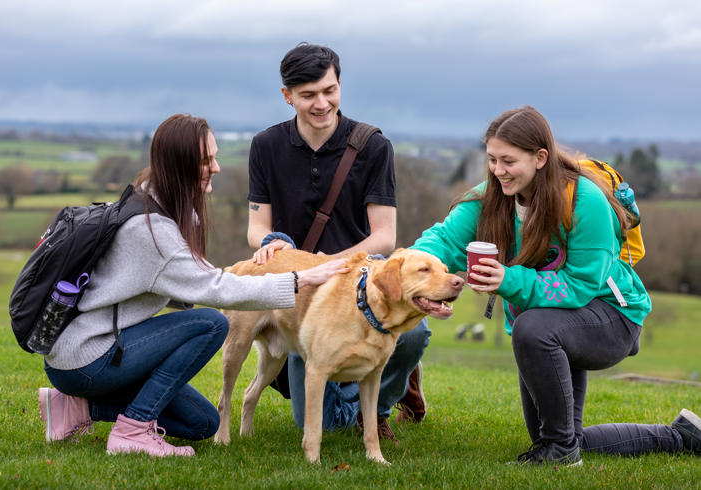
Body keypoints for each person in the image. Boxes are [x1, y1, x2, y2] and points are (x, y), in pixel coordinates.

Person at [37, 114, 348, 457]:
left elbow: (184, 280)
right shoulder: (153, 230)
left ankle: (76, 408)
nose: (215, 167)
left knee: (201, 423)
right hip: (86, 355)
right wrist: (297, 280)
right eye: (205, 160)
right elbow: (213, 288)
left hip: (96, 350)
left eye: (214, 157)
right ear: (178, 164)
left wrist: (269, 249)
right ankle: (134, 431)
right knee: (211, 323)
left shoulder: (157, 202)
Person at [411, 106, 701, 465]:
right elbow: (446, 239)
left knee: (531, 329)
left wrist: (508, 278)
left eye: (508, 161)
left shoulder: (585, 201)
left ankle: (562, 454)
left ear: (540, 158)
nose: (498, 171)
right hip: (554, 321)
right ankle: (681, 437)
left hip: (611, 315)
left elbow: (579, 286)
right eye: (491, 160)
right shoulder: (494, 195)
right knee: (556, 433)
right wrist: (406, 265)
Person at [246, 42, 430, 438]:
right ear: (287, 96)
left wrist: (334, 264)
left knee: (414, 331)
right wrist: (274, 244)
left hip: (361, 283)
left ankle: (377, 406)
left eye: (329, 90)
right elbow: (256, 228)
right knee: (320, 424)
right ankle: (356, 384)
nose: (321, 103)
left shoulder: (373, 147)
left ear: (340, 85)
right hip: (302, 295)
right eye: (308, 95)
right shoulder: (266, 146)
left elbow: (384, 236)